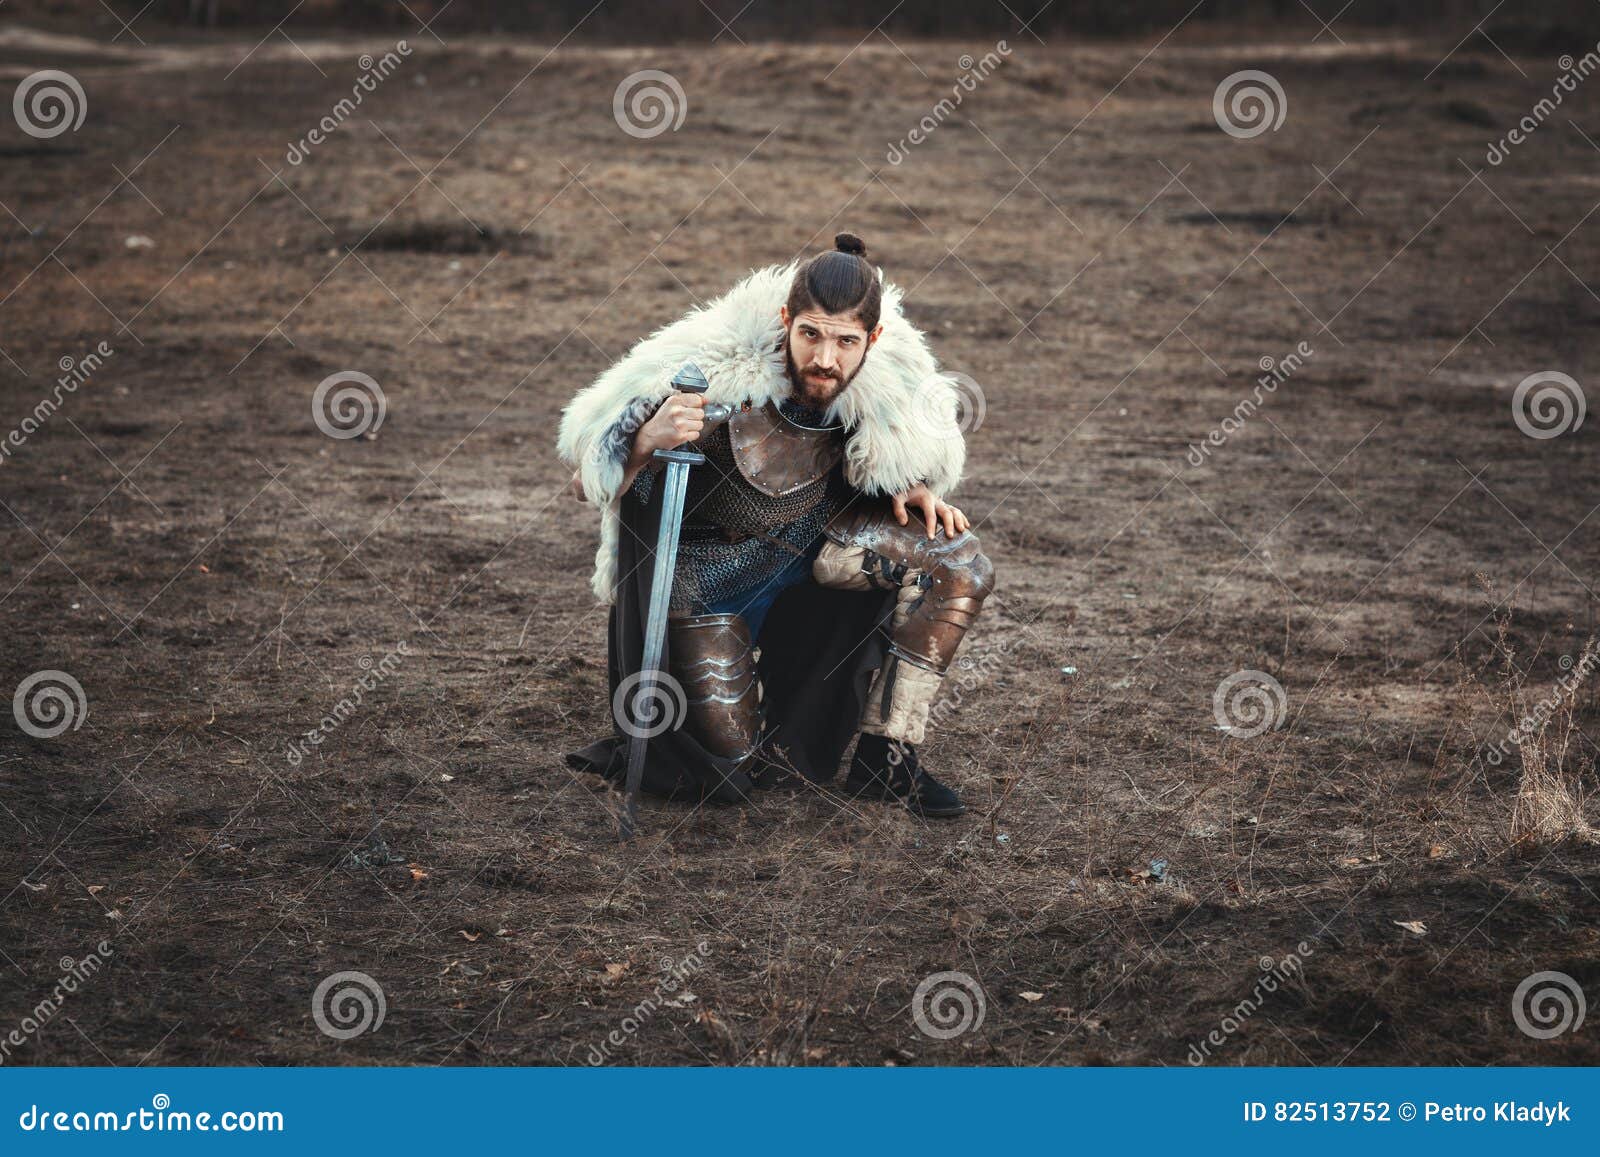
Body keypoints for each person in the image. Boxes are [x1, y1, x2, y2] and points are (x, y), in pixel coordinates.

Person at [558, 233, 994, 818]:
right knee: (728, 773)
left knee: (958, 565)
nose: (825, 359)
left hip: (812, 548)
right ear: (786, 319)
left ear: (873, 339)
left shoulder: (887, 384)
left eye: (846, 342)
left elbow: (884, 448)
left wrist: (906, 480)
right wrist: (646, 439)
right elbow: (587, 479)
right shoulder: (710, 369)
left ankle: (887, 762)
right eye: (810, 334)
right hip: (704, 576)